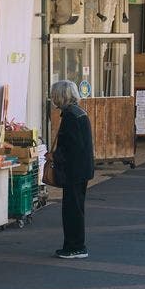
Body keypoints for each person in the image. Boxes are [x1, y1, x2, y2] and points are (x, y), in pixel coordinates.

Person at [48, 79, 95, 259]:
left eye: (54, 95)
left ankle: (75, 247)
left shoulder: (70, 116)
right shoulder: (79, 112)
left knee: (72, 210)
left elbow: (72, 146)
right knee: (75, 208)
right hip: (82, 168)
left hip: (75, 170)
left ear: (61, 96)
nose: (53, 99)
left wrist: (55, 156)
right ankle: (73, 245)